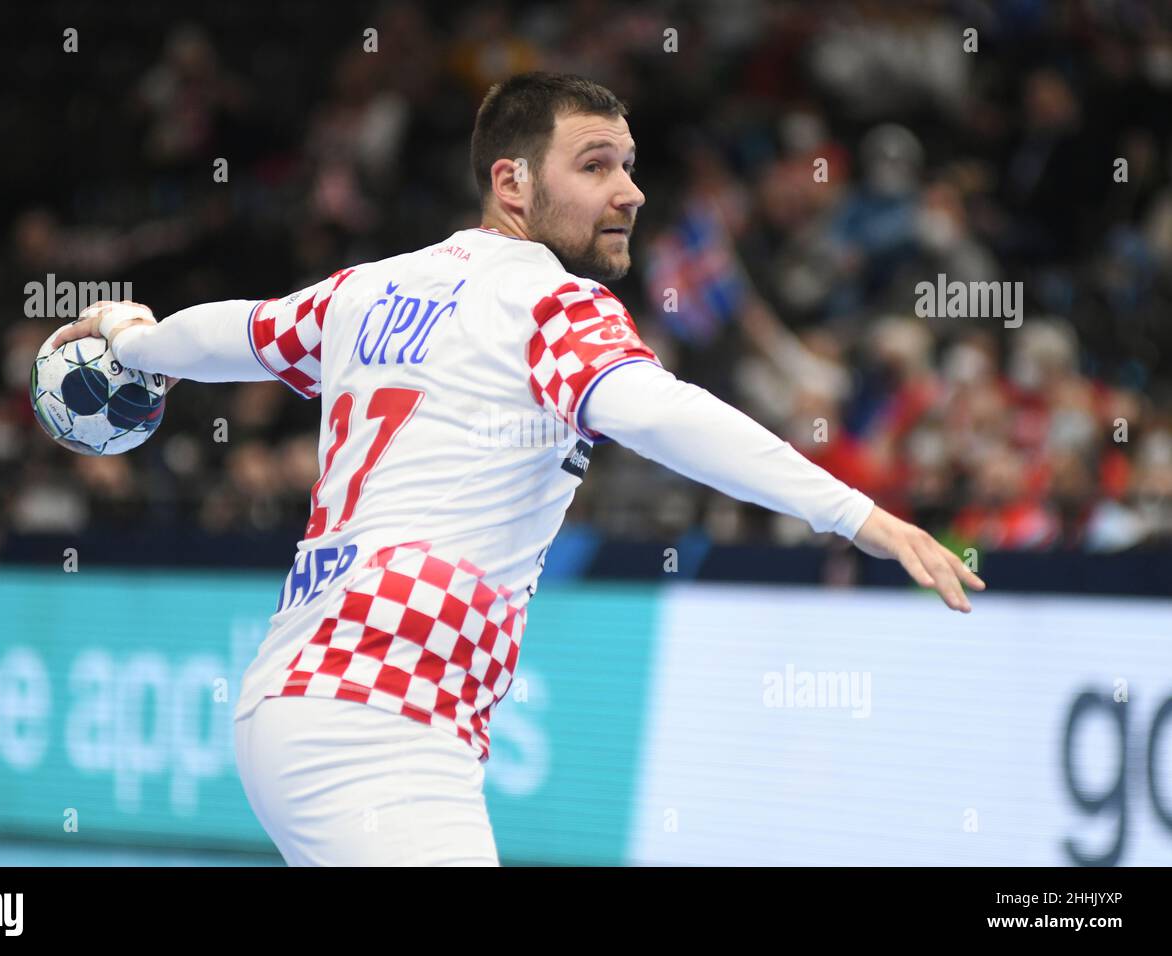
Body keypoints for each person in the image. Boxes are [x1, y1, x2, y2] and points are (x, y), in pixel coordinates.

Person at [49, 72, 985, 866]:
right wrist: (860, 514)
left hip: (302, 697)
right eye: (594, 166)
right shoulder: (551, 303)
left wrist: (137, 338)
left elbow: (235, 333)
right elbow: (665, 413)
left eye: (628, 165)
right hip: (380, 708)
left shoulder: (369, 286)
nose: (630, 191)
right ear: (512, 182)